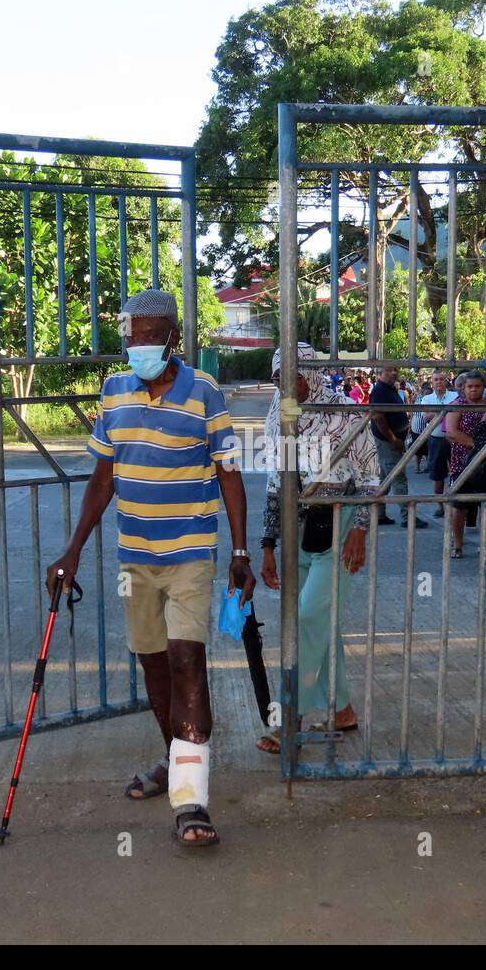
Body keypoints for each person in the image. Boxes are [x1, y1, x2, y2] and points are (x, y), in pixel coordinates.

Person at [46, 290, 255, 848]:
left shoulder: (205, 393)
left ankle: (192, 801)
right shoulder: (114, 392)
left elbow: (229, 475)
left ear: (173, 339)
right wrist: (72, 550)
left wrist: (239, 553)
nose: (137, 344)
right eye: (131, 334)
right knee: (155, 668)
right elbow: (103, 478)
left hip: (190, 554)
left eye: (148, 335)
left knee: (188, 660)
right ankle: (173, 763)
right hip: (134, 559)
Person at [257, 342, 379, 753]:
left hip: (339, 529)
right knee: (320, 623)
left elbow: (370, 479)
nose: (285, 387)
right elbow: (275, 481)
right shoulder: (278, 411)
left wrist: (360, 530)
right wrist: (268, 544)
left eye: (292, 378)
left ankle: (288, 715)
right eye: (278, 378)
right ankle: (342, 709)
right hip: (296, 530)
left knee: (308, 617)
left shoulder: (347, 413)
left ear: (310, 372)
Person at [369, 365, 427, 529]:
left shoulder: (389, 389)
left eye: (395, 370)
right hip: (388, 442)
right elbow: (379, 418)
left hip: (391, 441)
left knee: (385, 479)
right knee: (398, 477)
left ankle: (378, 514)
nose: (393, 373)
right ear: (379, 373)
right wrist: (393, 439)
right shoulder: (379, 391)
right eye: (388, 370)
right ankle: (407, 517)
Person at [443, 371, 486, 558]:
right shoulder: (457, 406)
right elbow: (451, 432)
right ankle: (458, 544)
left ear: (483, 387)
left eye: (477, 386)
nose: (474, 389)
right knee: (459, 506)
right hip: (462, 462)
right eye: (470, 386)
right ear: (463, 388)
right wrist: (477, 445)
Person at [419, 372, 453, 517]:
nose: (439, 382)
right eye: (436, 380)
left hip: (453, 439)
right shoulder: (427, 399)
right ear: (432, 382)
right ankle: (440, 506)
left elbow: (457, 416)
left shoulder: (454, 397)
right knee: (437, 475)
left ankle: (454, 504)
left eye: (441, 380)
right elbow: (426, 418)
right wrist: (446, 412)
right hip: (436, 439)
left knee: (457, 472)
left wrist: (437, 413)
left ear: (446, 382)